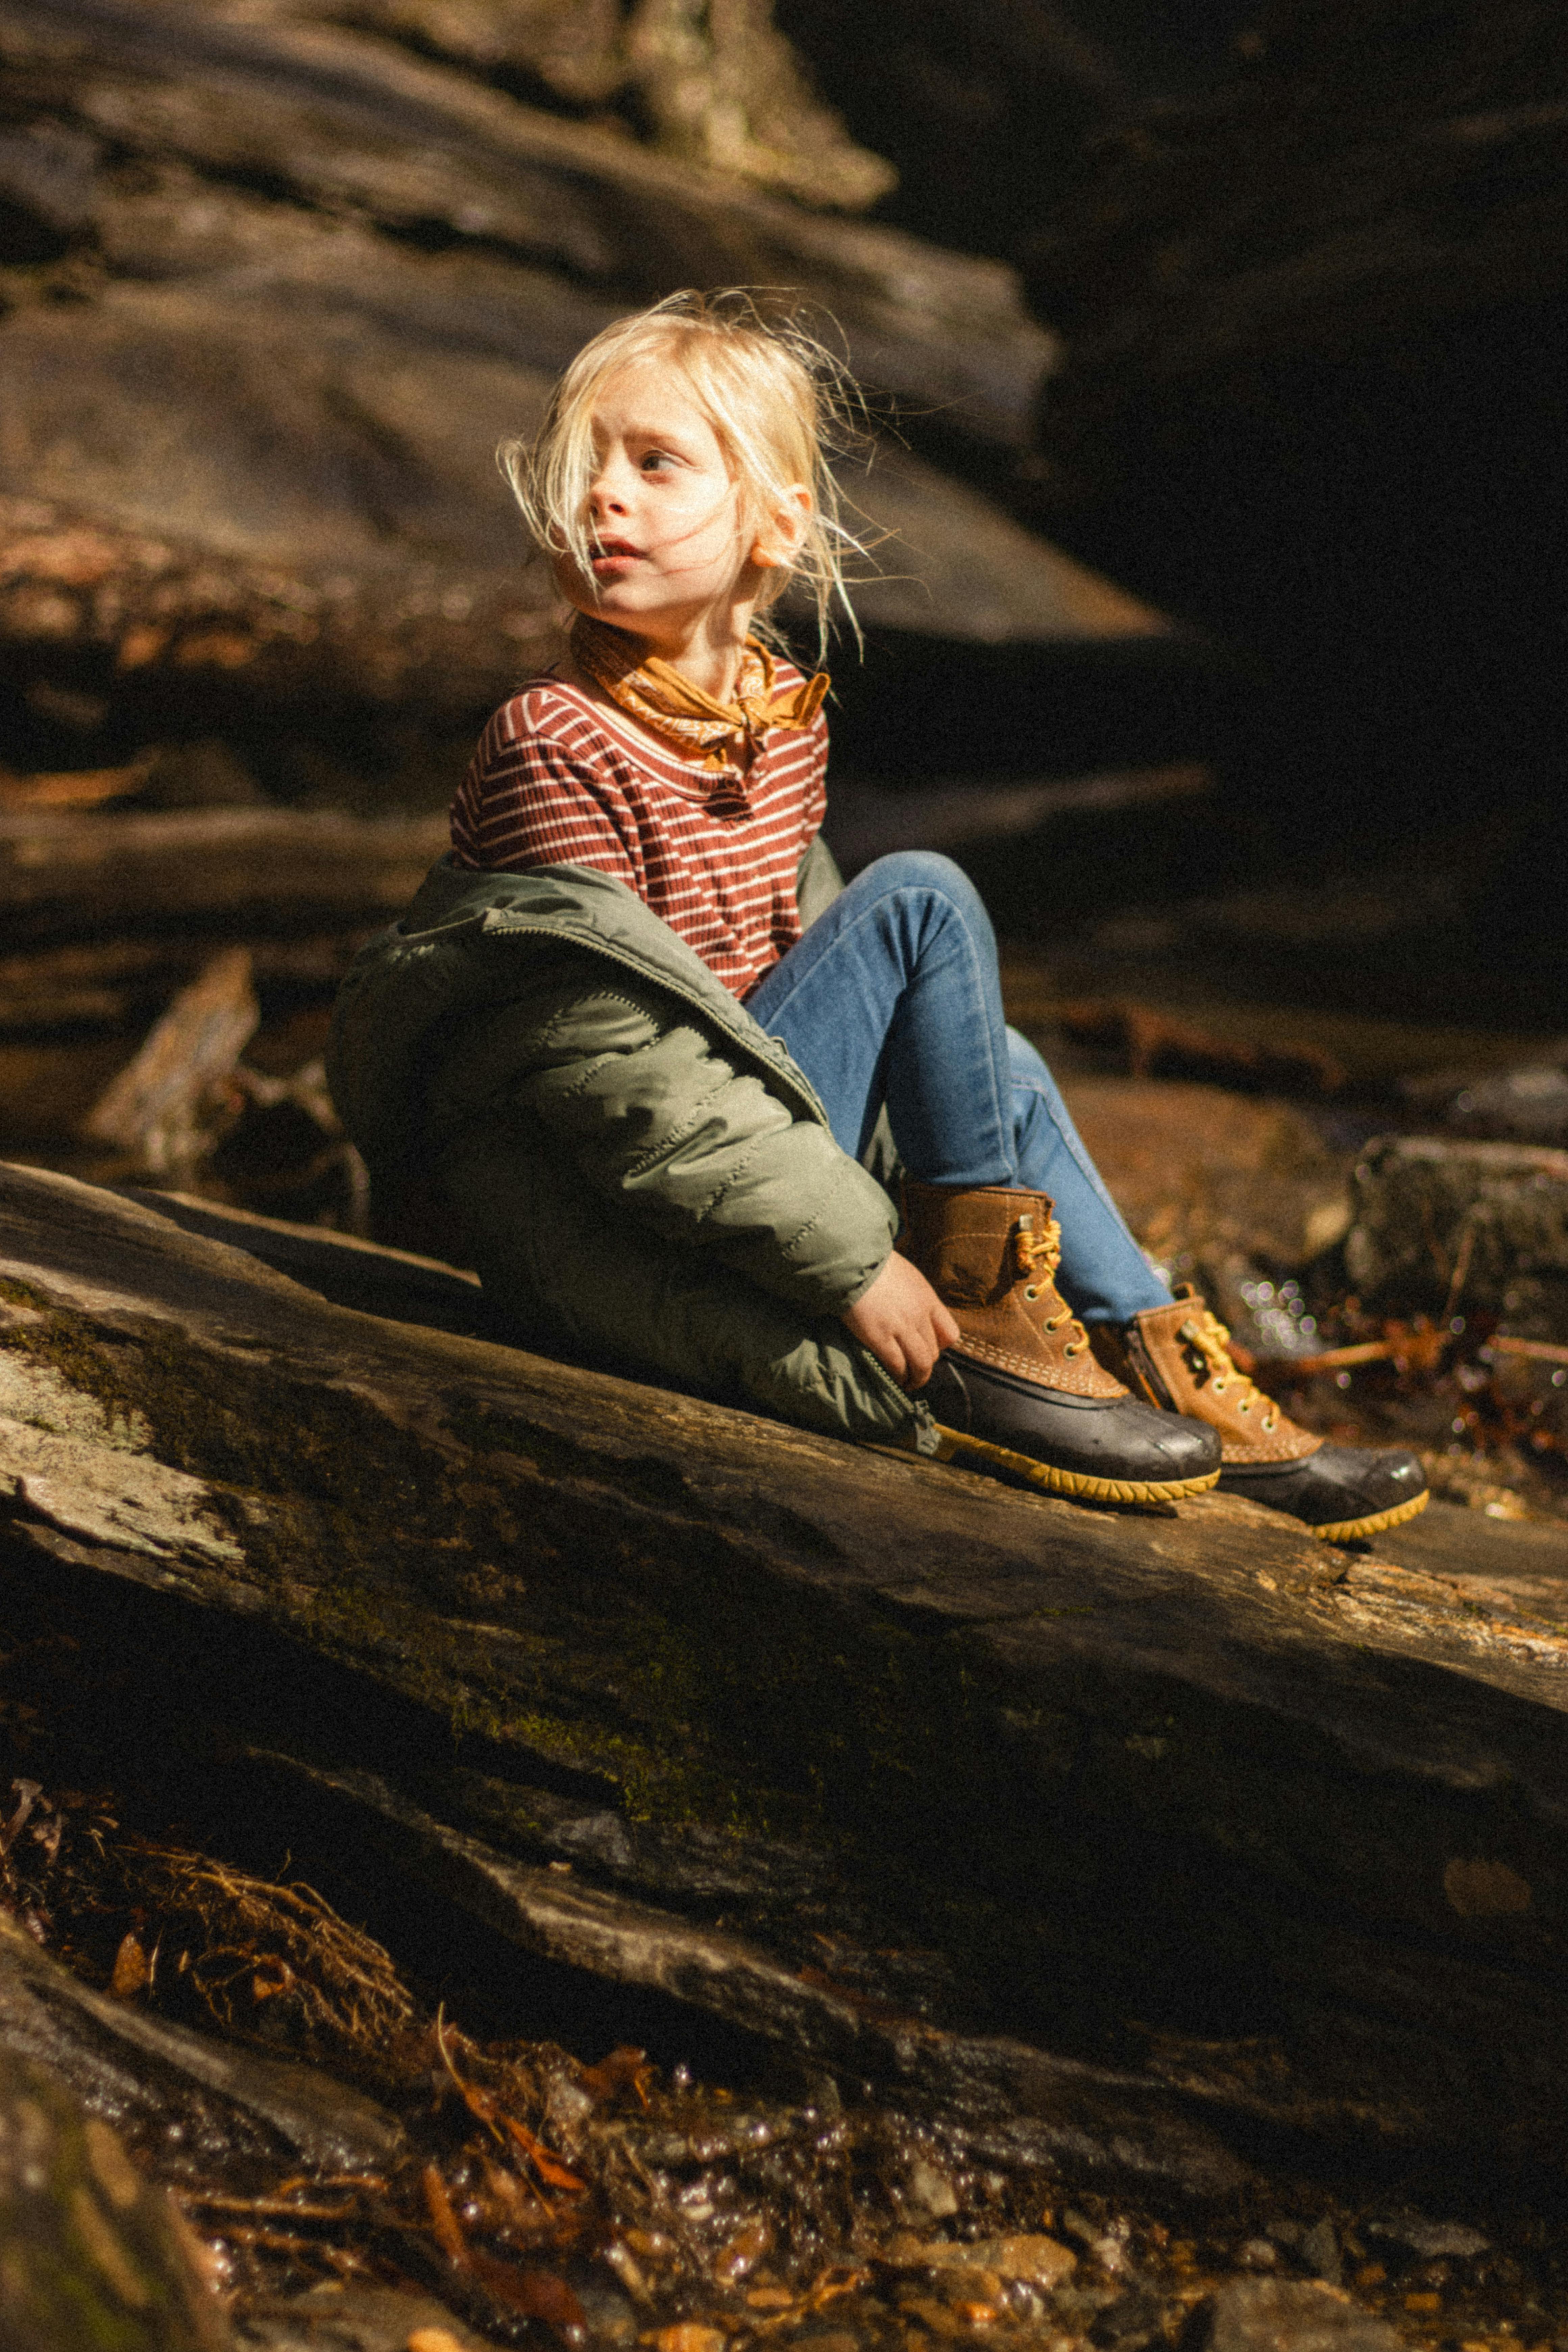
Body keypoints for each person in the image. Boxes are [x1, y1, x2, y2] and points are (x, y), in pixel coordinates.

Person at [327, 291, 1427, 1542]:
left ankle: (1159, 1357)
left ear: (772, 529)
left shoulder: (775, 711)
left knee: (1001, 1069)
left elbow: (786, 995)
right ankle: (998, 1323)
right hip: (606, 1193)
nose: (603, 498)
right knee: (918, 899)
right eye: (587, 465)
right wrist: (853, 1264)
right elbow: (611, 1076)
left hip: (741, 1121)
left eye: (657, 463)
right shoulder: (553, 739)